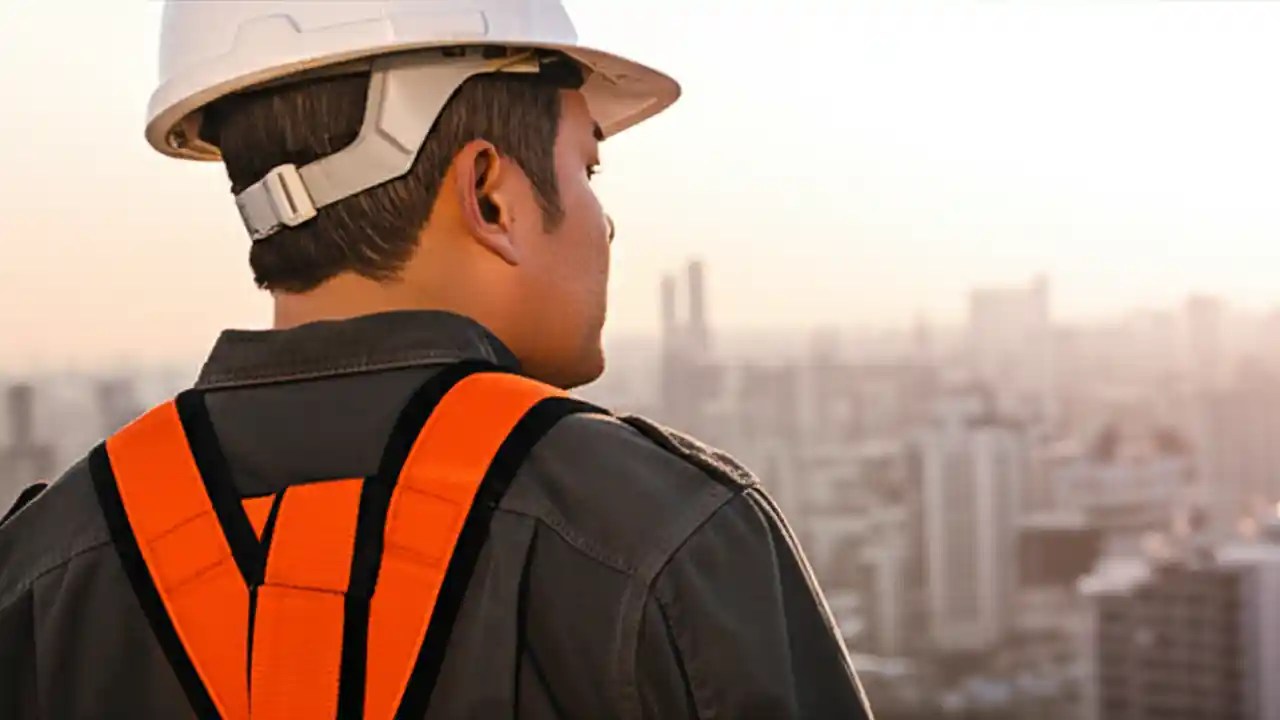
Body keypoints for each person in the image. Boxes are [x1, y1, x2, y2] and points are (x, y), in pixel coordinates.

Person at [0, 1, 874, 717]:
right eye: (588, 171)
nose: (604, 226)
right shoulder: (667, 540)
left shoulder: (45, 572)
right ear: (489, 192)